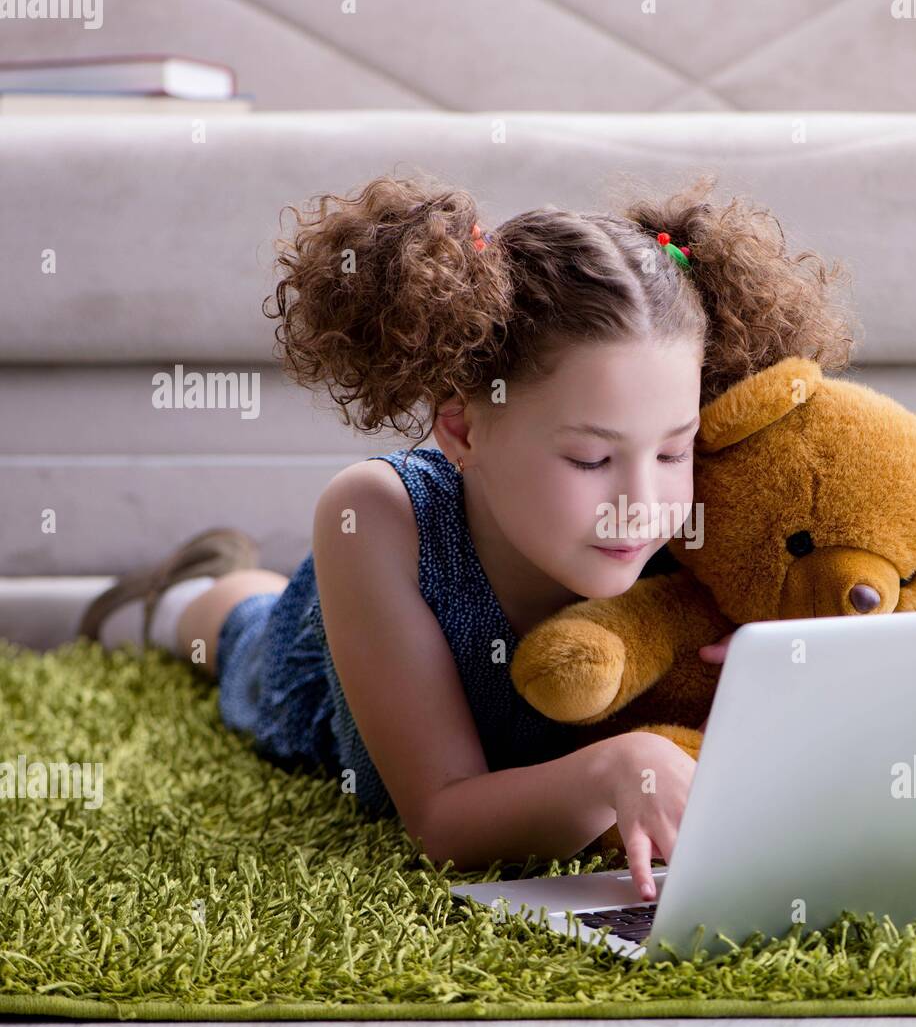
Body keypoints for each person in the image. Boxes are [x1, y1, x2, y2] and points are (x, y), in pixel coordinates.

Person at [77, 171, 855, 901]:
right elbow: (441, 821)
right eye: (591, 457)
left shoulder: (712, 507)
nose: (643, 503)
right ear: (462, 427)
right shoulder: (380, 517)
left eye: (673, 450)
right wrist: (614, 768)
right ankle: (183, 587)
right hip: (316, 676)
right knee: (242, 632)